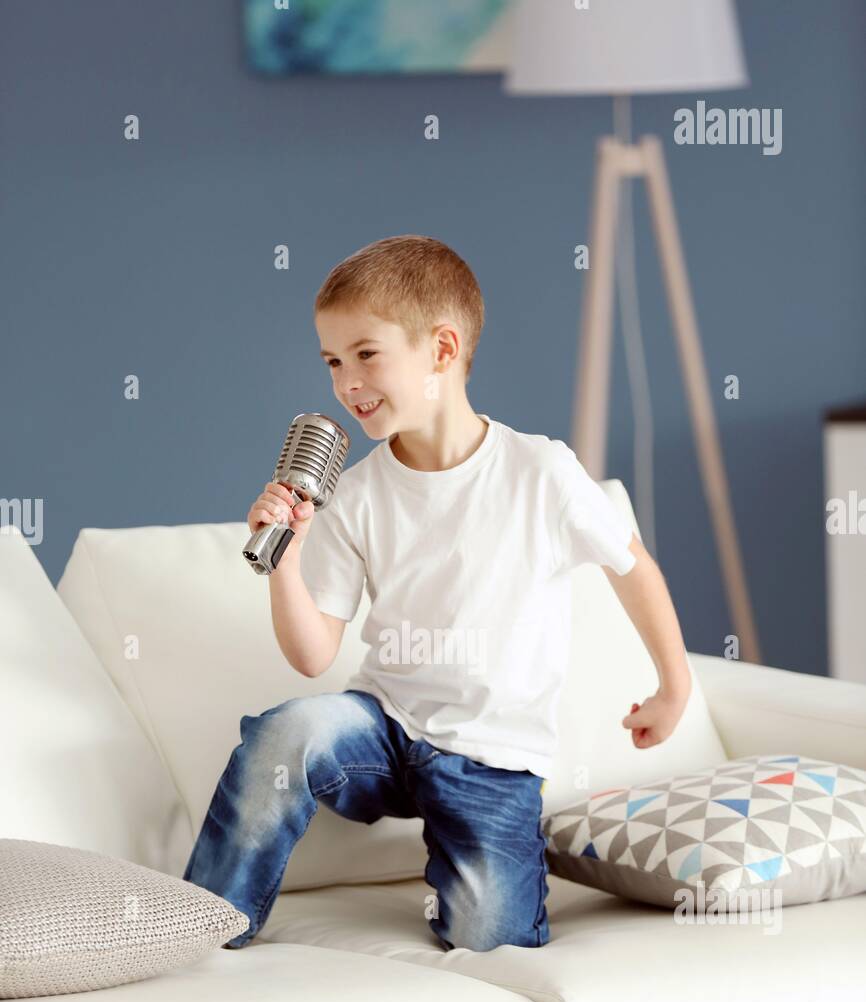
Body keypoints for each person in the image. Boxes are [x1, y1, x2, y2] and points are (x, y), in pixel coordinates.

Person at [183, 234, 692, 951]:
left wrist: (674, 685)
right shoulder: (354, 495)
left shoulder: (539, 472)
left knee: (490, 937)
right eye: (332, 361)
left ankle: (478, 871)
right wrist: (287, 561)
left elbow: (632, 566)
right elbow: (312, 653)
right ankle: (202, 922)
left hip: (491, 755)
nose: (345, 381)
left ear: (443, 351)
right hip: (386, 728)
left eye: (365, 354)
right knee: (286, 730)